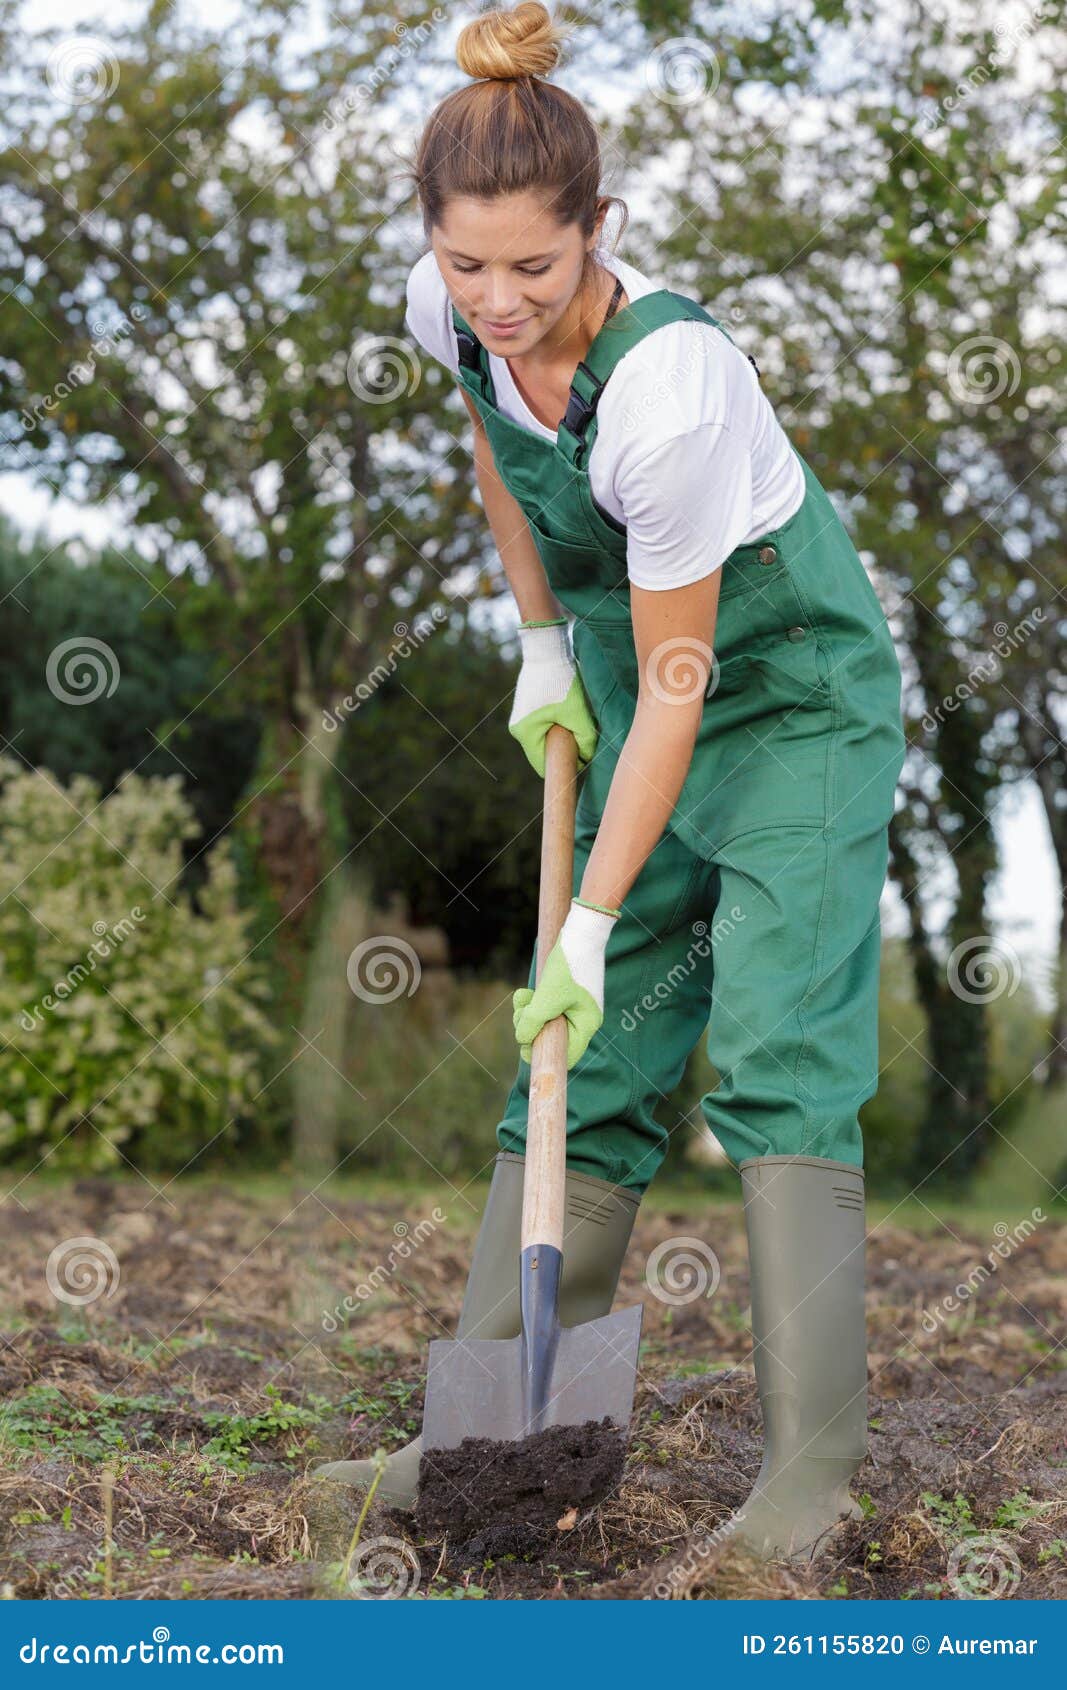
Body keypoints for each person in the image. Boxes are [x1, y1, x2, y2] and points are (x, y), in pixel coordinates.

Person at [315, 1, 905, 1565]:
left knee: (773, 1041)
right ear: (432, 238)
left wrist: (582, 921)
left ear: (601, 228)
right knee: (582, 1047)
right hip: (635, 681)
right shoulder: (452, 316)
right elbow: (499, 456)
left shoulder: (669, 392)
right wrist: (534, 638)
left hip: (788, 705)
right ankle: (485, 1442)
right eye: (467, 263)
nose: (498, 299)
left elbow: (685, 687)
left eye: (534, 265)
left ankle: (811, 1475)